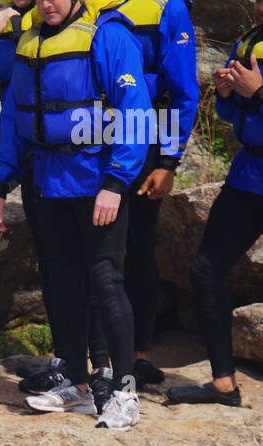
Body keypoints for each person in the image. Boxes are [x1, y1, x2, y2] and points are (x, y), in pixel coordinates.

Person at [0, 0, 153, 430]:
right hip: (48, 181)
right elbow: (13, 117)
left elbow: (135, 110)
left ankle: (126, 392)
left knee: (105, 281)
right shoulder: (30, 39)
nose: (47, 2)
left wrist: (116, 182)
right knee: (61, 283)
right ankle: (77, 386)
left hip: (97, 179)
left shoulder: (108, 36)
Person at [85, 0, 198, 405]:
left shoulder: (167, 7)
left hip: (143, 136)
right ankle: (95, 359)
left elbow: (182, 89)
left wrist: (168, 161)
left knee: (137, 247)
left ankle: (139, 355)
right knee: (94, 250)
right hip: (84, 140)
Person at [0, 3, 72, 397]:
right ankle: (69, 363)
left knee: (95, 268)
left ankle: (111, 367)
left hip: (86, 169)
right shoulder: (9, 27)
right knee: (55, 268)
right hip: (34, 167)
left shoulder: (86, 24)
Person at [166, 1, 263, 408]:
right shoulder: (250, 42)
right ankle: (224, 384)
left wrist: (258, 94)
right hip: (250, 175)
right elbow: (231, 111)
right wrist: (227, 93)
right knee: (205, 270)